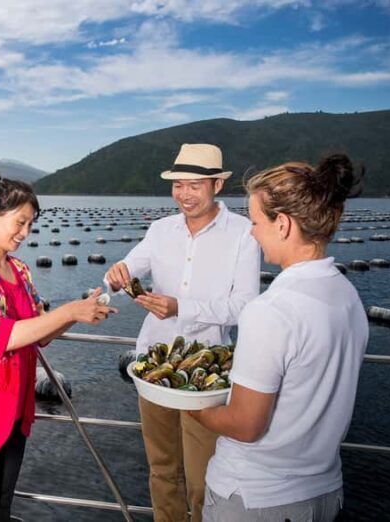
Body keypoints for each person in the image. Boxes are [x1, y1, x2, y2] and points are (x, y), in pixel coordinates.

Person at [189, 155, 368, 521]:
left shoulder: (271, 310)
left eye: (256, 222)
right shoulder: (347, 296)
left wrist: (195, 408)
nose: (252, 232)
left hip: (255, 497)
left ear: (283, 224)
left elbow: (245, 425)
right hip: (323, 492)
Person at [0, 168, 116, 522]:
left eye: (30, 224)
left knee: (2, 508)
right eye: (19, 222)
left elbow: (41, 334)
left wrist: (77, 315)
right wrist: (67, 310)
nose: (25, 232)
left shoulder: (20, 269)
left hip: (14, 407)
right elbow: (1, 335)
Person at [105, 143, 261, 522]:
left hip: (206, 384)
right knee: (161, 469)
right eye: (178, 185)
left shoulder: (244, 233)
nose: (184, 194)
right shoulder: (160, 230)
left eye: (195, 185)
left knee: (201, 478)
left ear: (217, 186)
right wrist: (113, 277)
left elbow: (244, 306)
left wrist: (182, 308)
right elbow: (127, 267)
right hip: (152, 369)